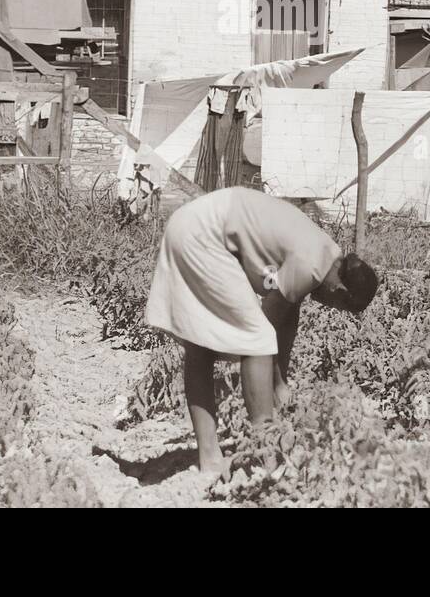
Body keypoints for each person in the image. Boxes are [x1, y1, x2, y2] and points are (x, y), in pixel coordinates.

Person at [144, 187, 379, 473]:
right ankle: (265, 451)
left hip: (192, 224)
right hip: (204, 236)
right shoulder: (312, 266)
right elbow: (267, 327)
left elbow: (288, 316)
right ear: (340, 291)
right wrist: (276, 386)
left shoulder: (326, 254)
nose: (329, 307)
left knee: (201, 348)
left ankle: (211, 458)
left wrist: (282, 381)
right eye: (338, 306)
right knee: (256, 339)